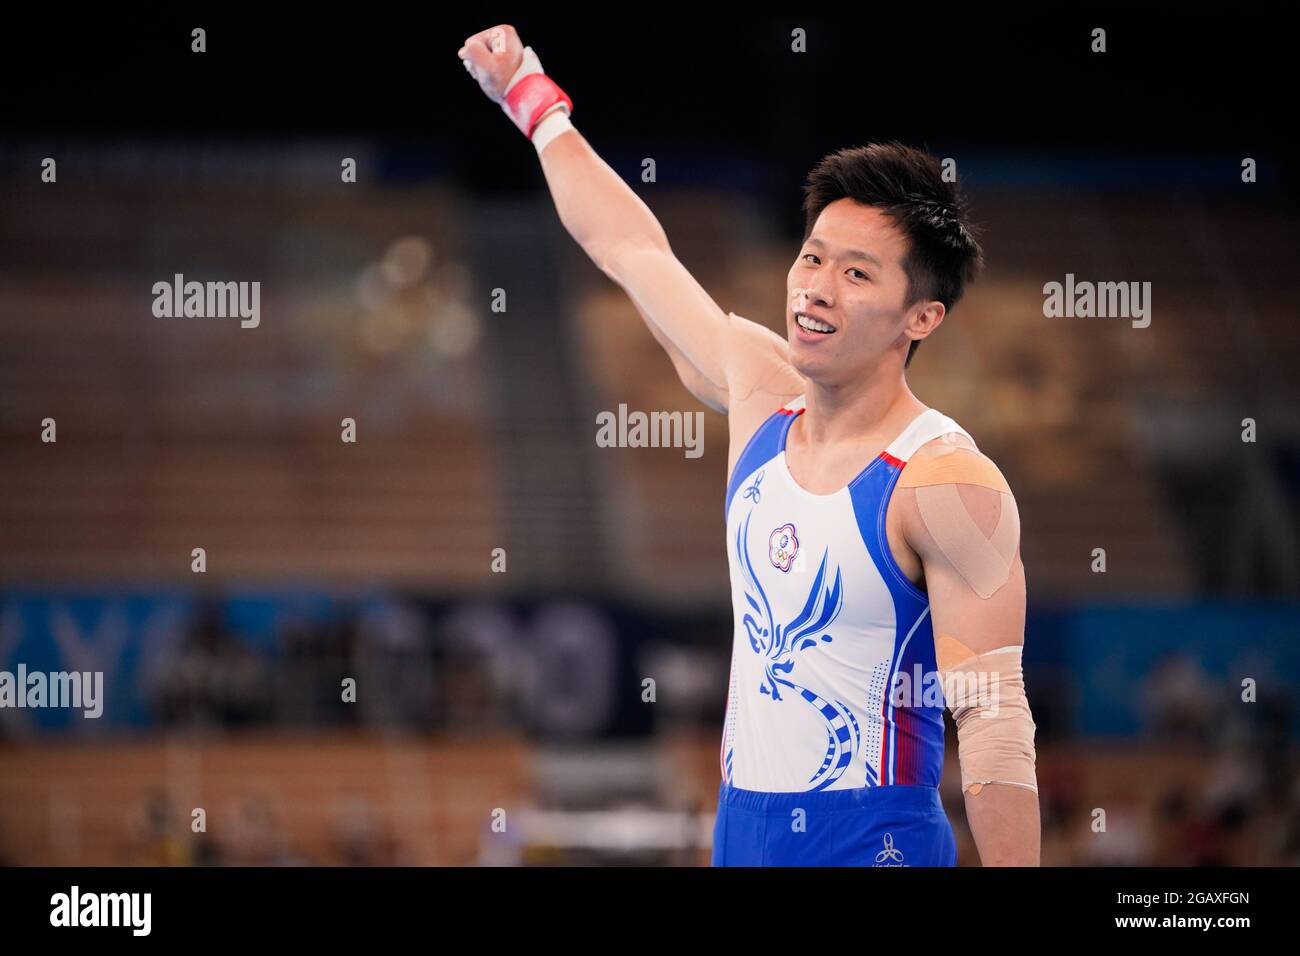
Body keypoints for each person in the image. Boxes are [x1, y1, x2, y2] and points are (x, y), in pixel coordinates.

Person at [459, 24, 1039, 866]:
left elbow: (993, 716)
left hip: (874, 839)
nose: (814, 288)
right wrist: (532, 99)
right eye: (812, 258)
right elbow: (628, 248)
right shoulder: (761, 394)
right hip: (743, 830)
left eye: (857, 273)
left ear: (922, 318)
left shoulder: (945, 480)